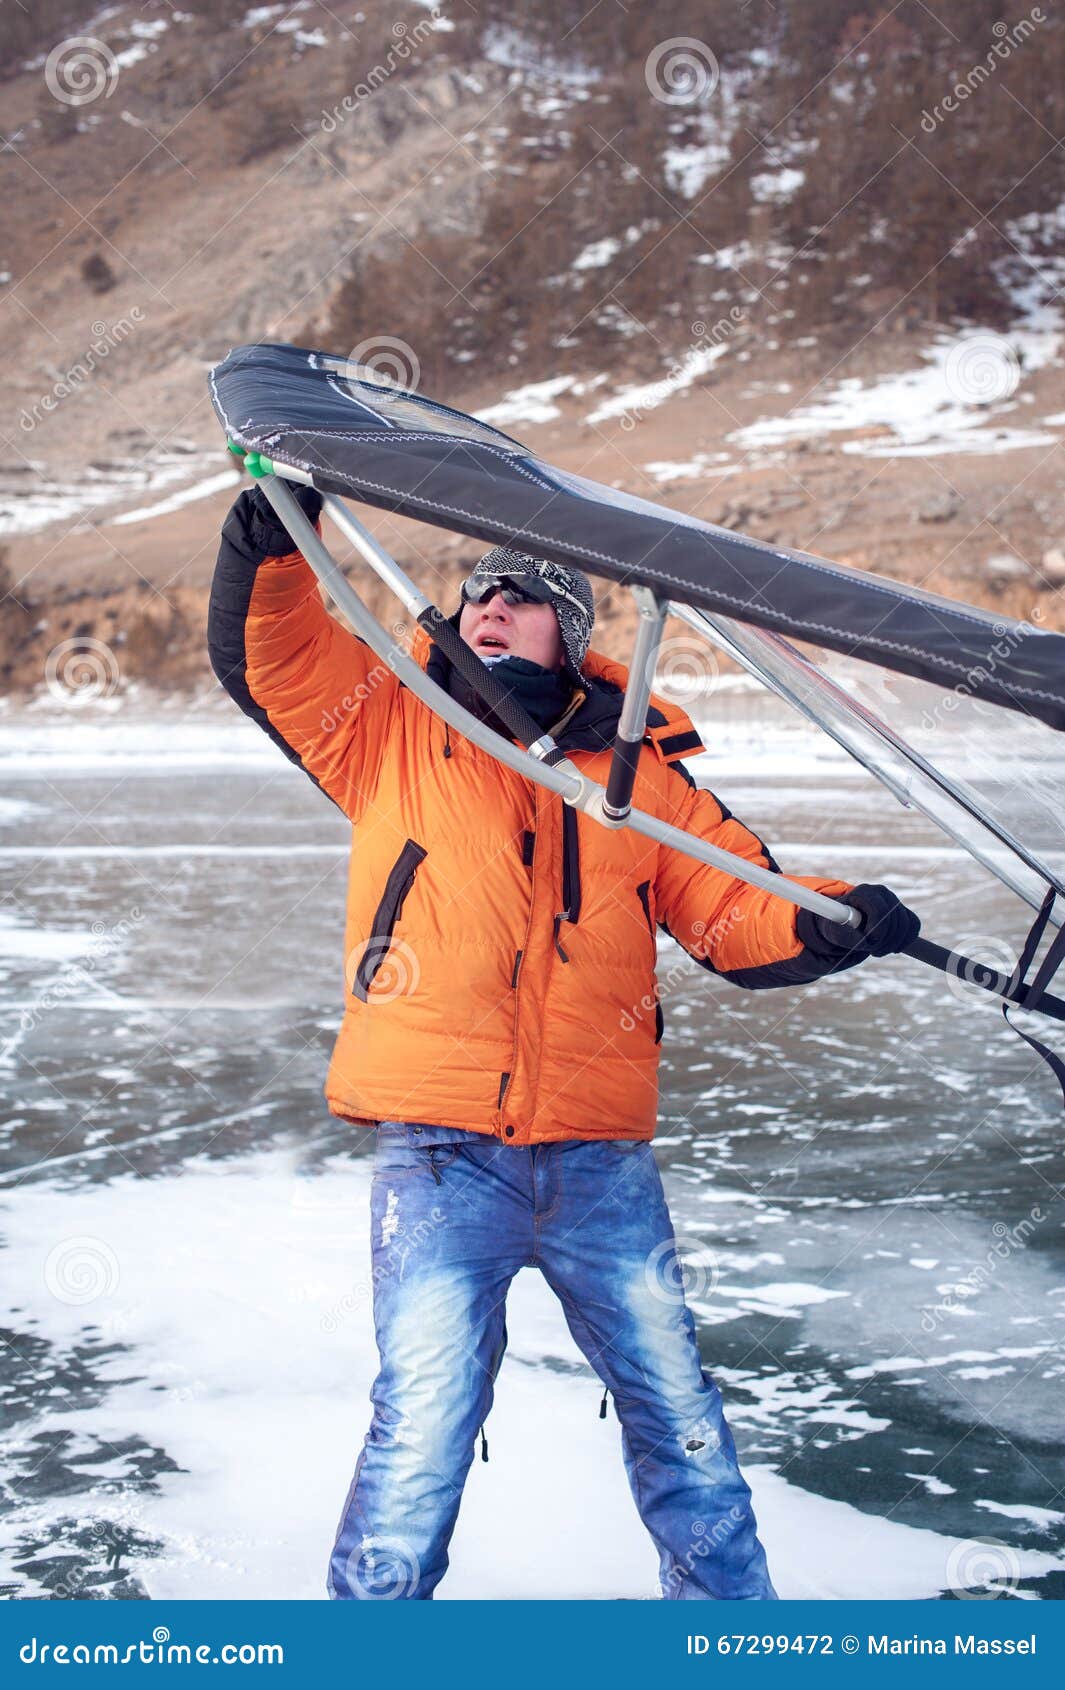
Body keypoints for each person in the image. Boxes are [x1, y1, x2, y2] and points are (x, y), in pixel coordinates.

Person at [208, 480, 920, 1601]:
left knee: (679, 1413)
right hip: (441, 1154)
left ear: (573, 636)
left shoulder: (639, 777)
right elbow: (278, 654)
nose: (489, 604)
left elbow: (733, 905)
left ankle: (733, 1634)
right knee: (425, 1422)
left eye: (524, 595)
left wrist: (832, 921)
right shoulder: (391, 724)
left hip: (600, 1160)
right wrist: (271, 538)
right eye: (478, 590)